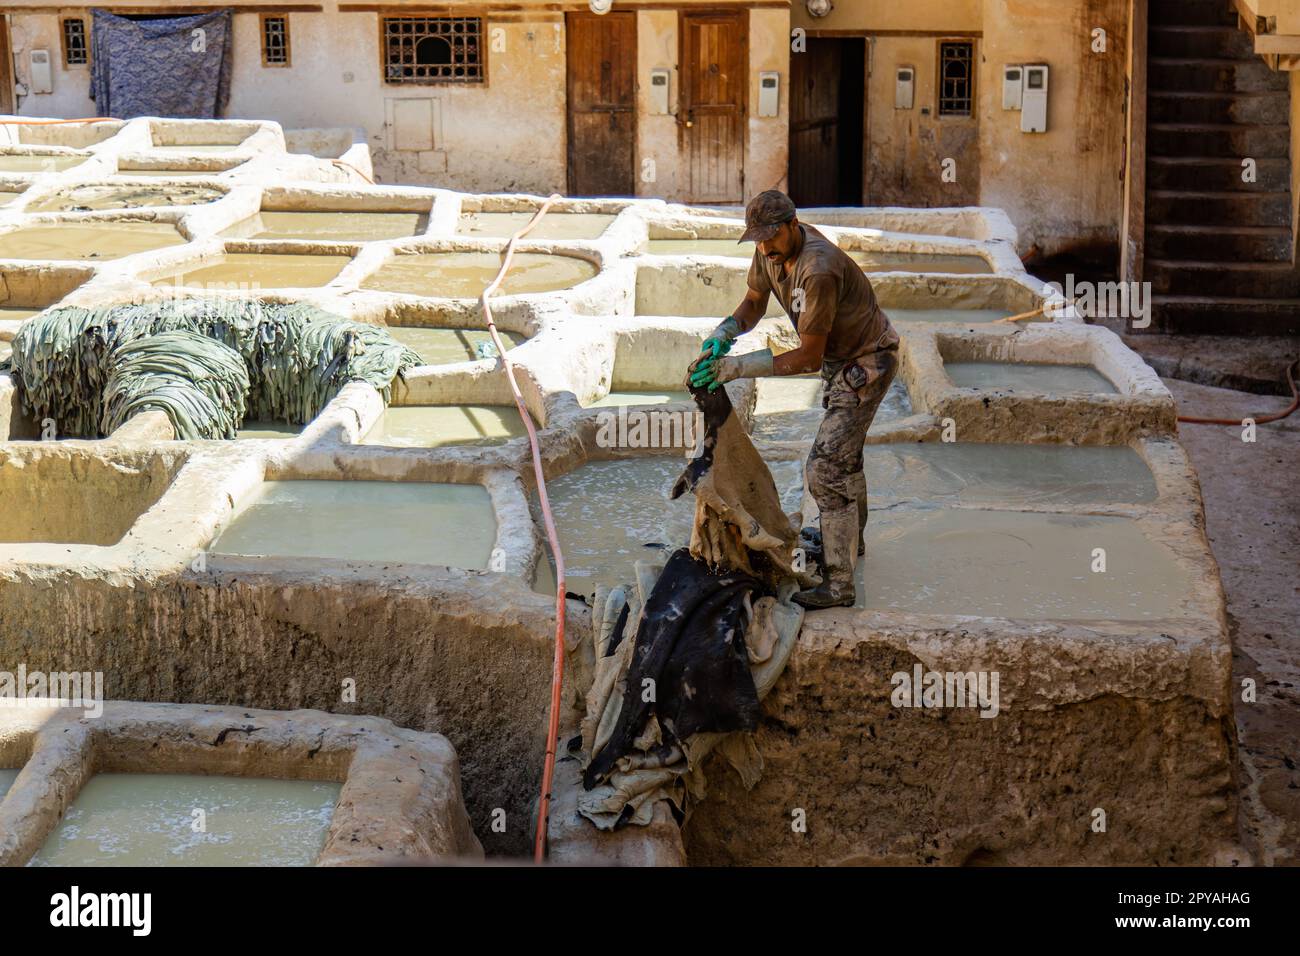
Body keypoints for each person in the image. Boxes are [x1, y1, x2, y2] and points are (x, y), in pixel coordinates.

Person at [689, 189, 899, 609]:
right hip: (843, 361)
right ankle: (850, 545)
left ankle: (839, 585)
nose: (765, 247)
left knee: (824, 468)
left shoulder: (817, 269)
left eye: (771, 236)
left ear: (792, 224)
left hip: (866, 364)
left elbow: (808, 355)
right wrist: (725, 332)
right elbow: (753, 302)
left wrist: (737, 367)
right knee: (846, 458)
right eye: (758, 239)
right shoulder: (769, 254)